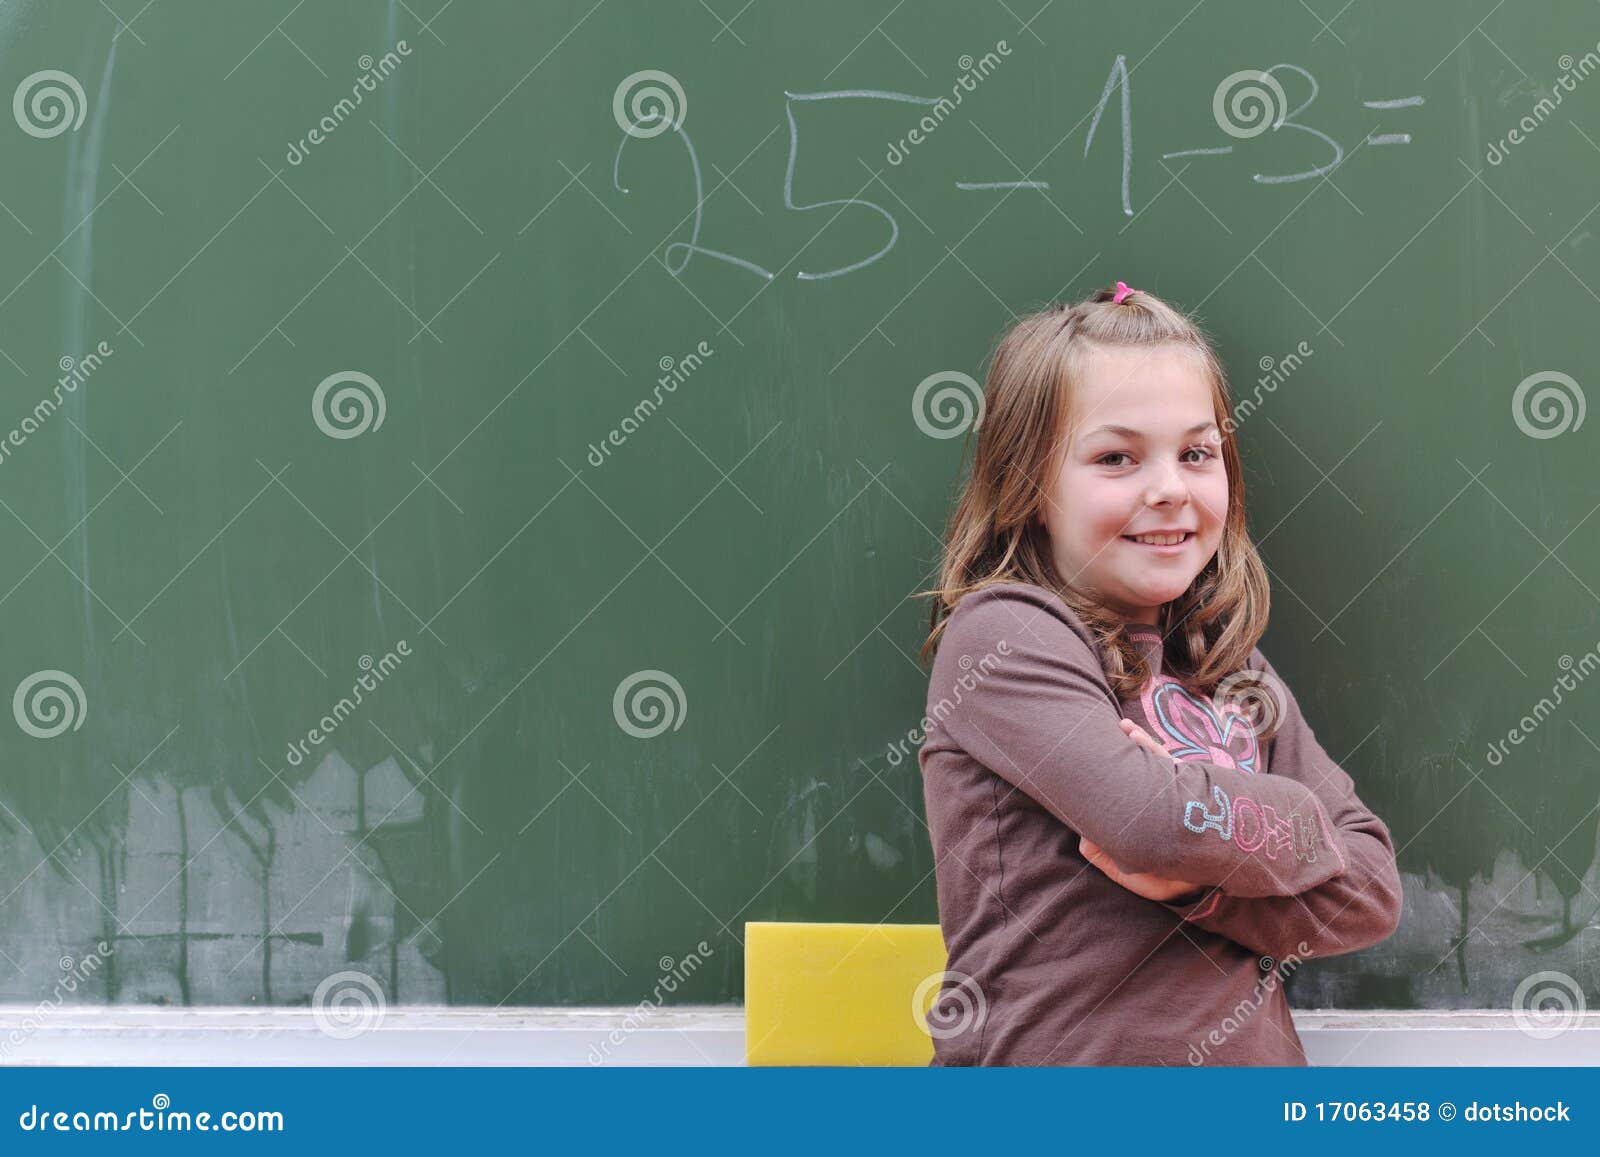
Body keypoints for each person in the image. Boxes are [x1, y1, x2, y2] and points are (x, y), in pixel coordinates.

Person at [914, 280, 1403, 1065]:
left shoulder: (1230, 667)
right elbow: (1147, 820)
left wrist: (1199, 886)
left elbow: (1373, 890)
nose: (1171, 487)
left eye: (1198, 453)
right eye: (1117, 457)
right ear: (1029, 485)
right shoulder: (1006, 635)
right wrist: (1292, 831)